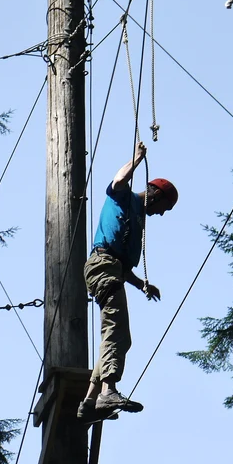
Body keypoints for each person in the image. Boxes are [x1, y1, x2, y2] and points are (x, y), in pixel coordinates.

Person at [78, 141, 178, 419]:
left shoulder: (138, 218)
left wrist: (141, 284)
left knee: (120, 334)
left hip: (111, 269)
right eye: (164, 208)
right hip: (102, 265)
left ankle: (90, 400)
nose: (161, 214)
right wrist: (136, 159)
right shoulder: (126, 198)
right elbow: (119, 179)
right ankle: (107, 392)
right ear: (155, 196)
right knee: (116, 331)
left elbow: (122, 267)